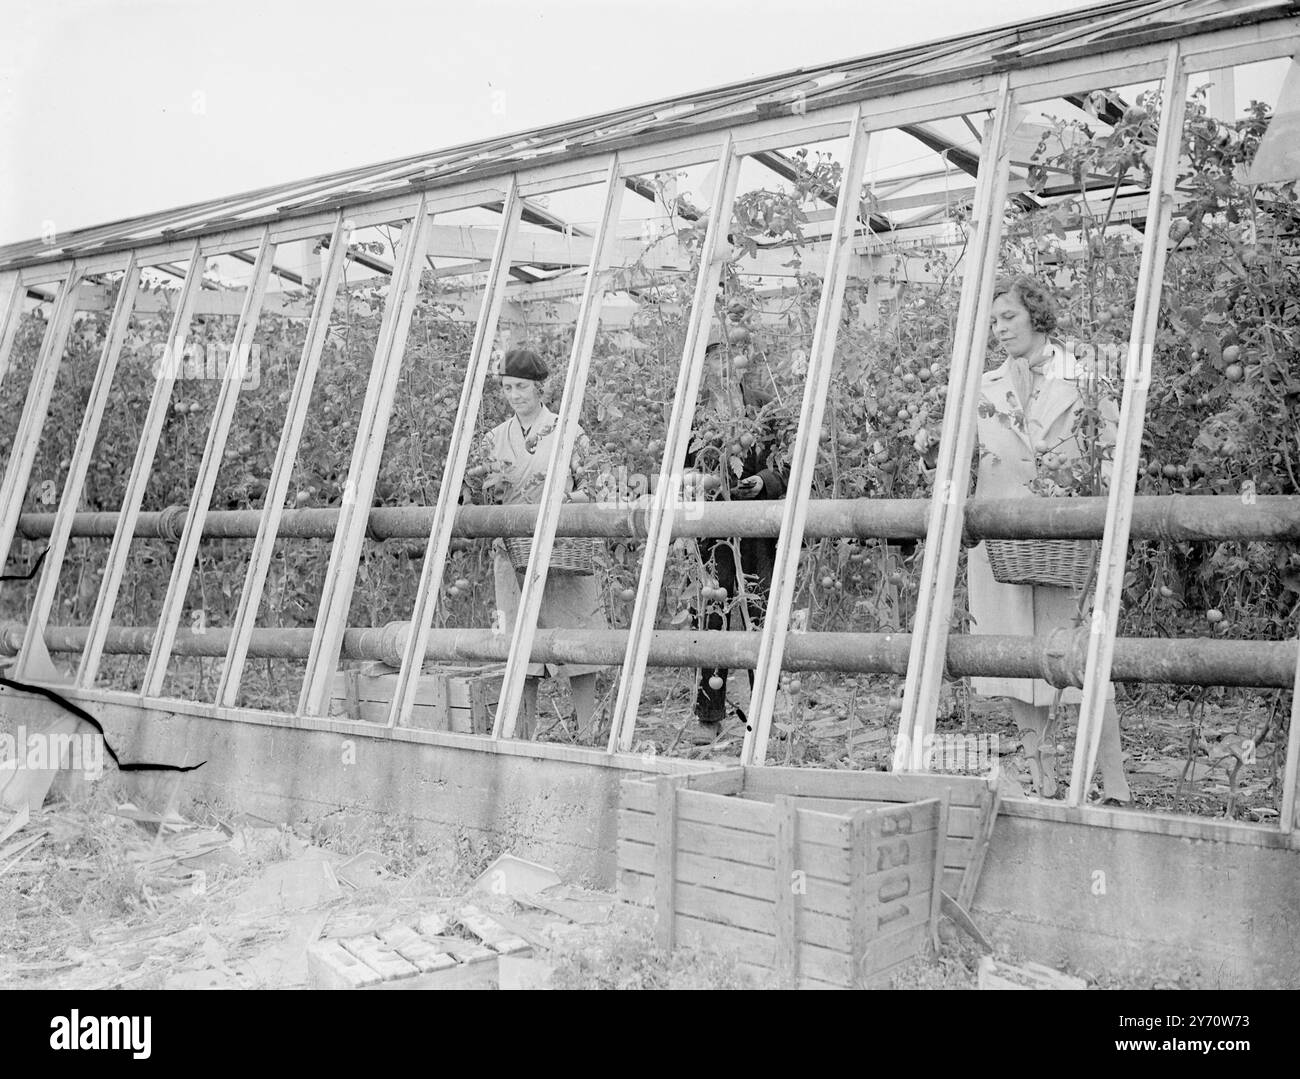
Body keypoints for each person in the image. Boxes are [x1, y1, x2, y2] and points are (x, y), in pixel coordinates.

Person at [925, 276, 1131, 802]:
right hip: (1002, 544)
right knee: (1015, 658)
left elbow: (1112, 459)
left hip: (1066, 541)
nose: (999, 330)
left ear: (1037, 314)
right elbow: (960, 460)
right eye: (993, 321)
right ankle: (1041, 776)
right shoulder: (984, 387)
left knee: (1081, 658)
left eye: (1008, 318)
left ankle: (1113, 781)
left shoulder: (1086, 379)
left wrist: (1083, 506)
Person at [482, 347, 609, 741]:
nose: (515, 395)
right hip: (512, 553)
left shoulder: (567, 431)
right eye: (507, 387)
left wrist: (566, 501)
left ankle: (587, 731)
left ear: (540, 388)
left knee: (578, 634)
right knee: (519, 642)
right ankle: (524, 733)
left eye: (522, 386)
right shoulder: (493, 440)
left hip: (563, 548)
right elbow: (483, 495)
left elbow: (597, 484)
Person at [688, 323, 789, 735]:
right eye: (714, 357)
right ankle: (709, 716)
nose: (724, 365)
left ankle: (768, 714)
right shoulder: (692, 415)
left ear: (742, 362)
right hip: (713, 535)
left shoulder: (764, 407)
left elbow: (785, 464)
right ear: (704, 366)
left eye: (730, 356)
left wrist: (764, 481)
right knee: (711, 617)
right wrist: (710, 484)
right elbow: (681, 473)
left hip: (758, 532)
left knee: (761, 614)